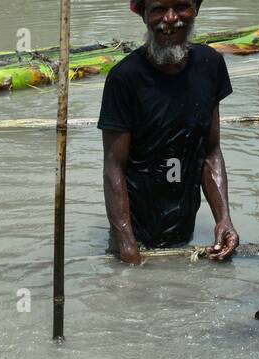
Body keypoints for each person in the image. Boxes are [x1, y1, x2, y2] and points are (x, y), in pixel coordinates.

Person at [98, 0, 239, 266]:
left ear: (196, 8)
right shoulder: (124, 78)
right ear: (143, 14)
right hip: (135, 233)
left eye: (182, 7)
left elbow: (210, 151)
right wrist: (128, 249)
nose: (171, 18)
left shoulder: (211, 65)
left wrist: (224, 219)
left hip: (184, 227)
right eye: (159, 9)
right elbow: (114, 167)